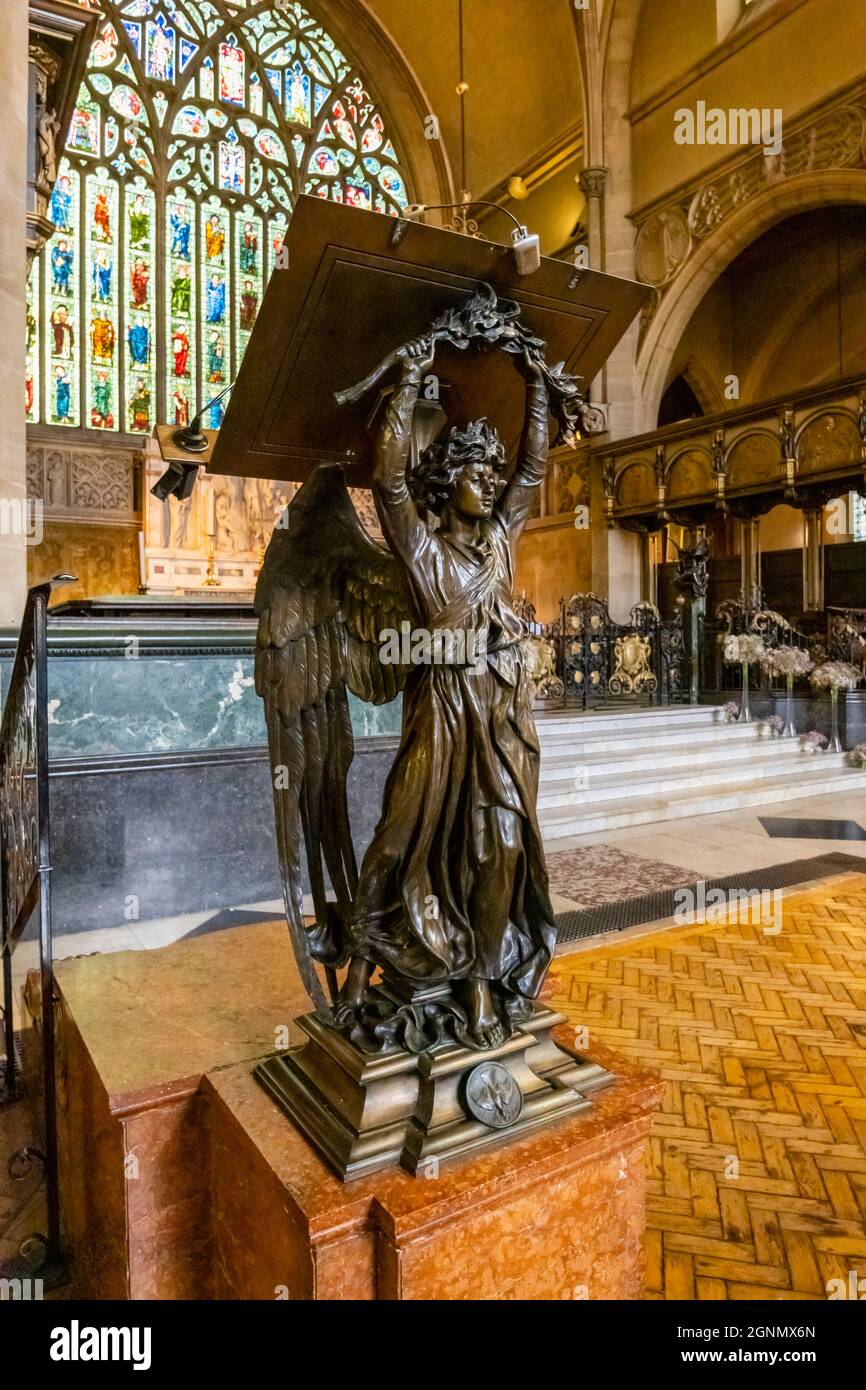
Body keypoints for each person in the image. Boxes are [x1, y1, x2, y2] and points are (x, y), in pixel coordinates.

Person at [337, 336, 557, 1048]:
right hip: (441, 712)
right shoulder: (421, 548)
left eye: (493, 473)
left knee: (503, 846)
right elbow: (388, 482)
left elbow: (534, 468)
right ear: (446, 479)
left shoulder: (499, 541)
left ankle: (478, 979)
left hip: (499, 712)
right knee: (399, 838)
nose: (491, 482)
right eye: (475, 471)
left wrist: (539, 388)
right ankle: (362, 955)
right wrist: (406, 383)